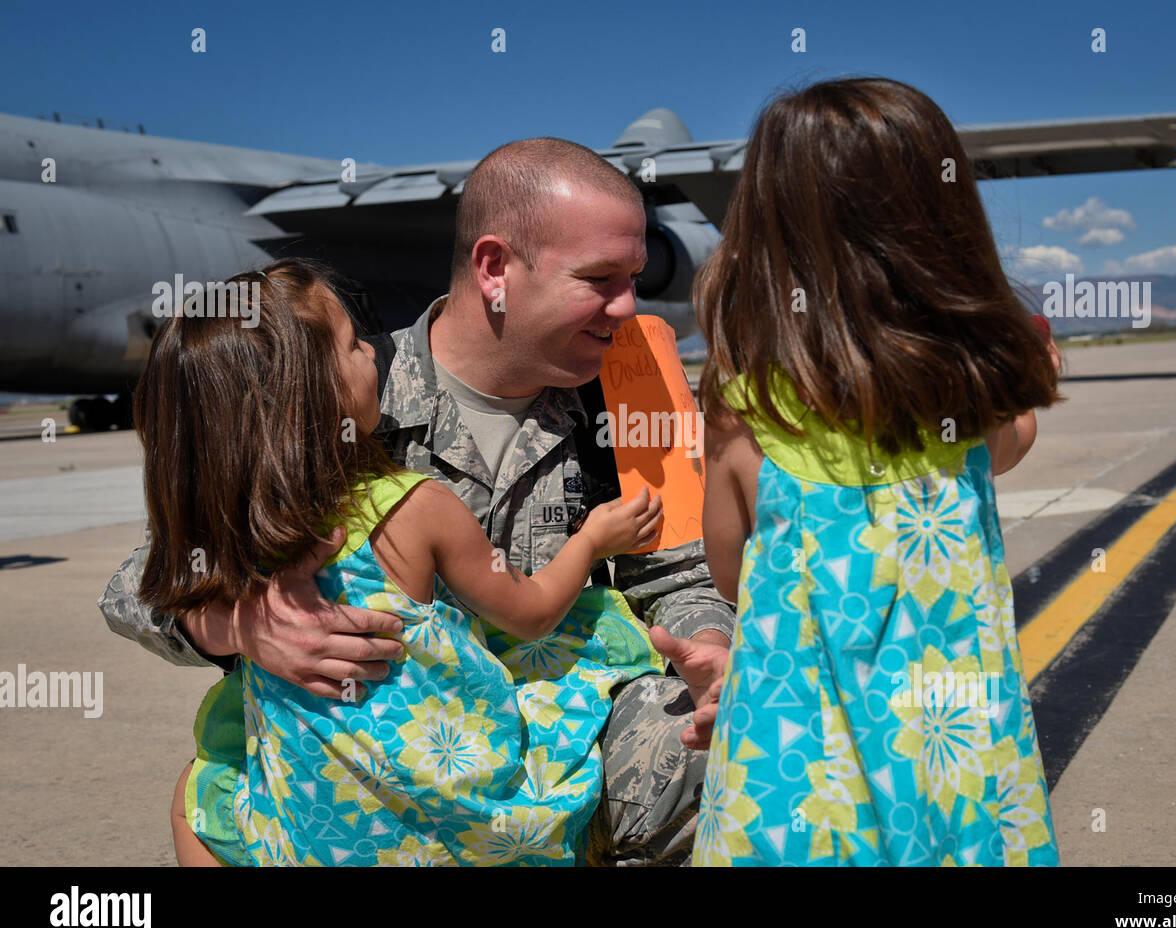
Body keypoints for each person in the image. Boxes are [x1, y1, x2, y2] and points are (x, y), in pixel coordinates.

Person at [100, 138, 736, 865]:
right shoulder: (339, 394)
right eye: (600, 279)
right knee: (210, 789)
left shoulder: (631, 394)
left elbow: (679, 576)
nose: (630, 306)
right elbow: (141, 582)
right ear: (494, 268)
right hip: (384, 763)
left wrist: (710, 653)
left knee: (721, 752)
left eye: (635, 276)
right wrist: (239, 622)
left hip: (566, 734)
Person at [140, 260, 667, 865]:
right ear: (314, 393)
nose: (373, 352)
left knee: (195, 794)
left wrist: (235, 626)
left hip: (315, 828)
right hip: (443, 818)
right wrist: (593, 541)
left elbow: (160, 589)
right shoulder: (416, 506)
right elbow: (531, 614)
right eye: (353, 345)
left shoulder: (233, 531)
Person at [689, 77, 1065, 866]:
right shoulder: (976, 420)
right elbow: (1017, 431)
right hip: (959, 775)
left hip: (796, 792)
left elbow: (730, 576)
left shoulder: (747, 412)